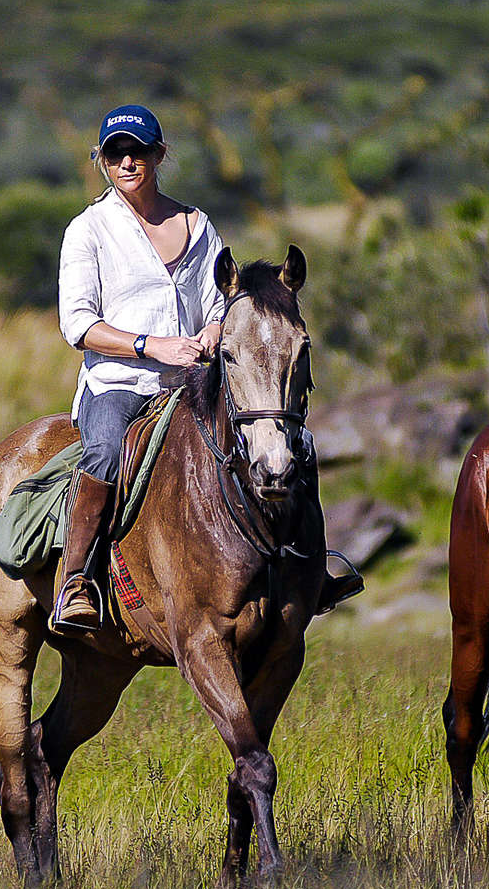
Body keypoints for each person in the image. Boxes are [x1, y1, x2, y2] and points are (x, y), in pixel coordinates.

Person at [55, 104, 361, 636]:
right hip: (120, 384)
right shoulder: (88, 230)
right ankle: (78, 580)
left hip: (197, 381)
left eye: (139, 150)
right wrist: (154, 346)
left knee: (293, 443)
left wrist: (213, 335)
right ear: (102, 160)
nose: (128, 162)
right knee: (104, 449)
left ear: (159, 155)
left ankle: (312, 569)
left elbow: (225, 299)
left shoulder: (197, 227)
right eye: (115, 153)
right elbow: (78, 325)